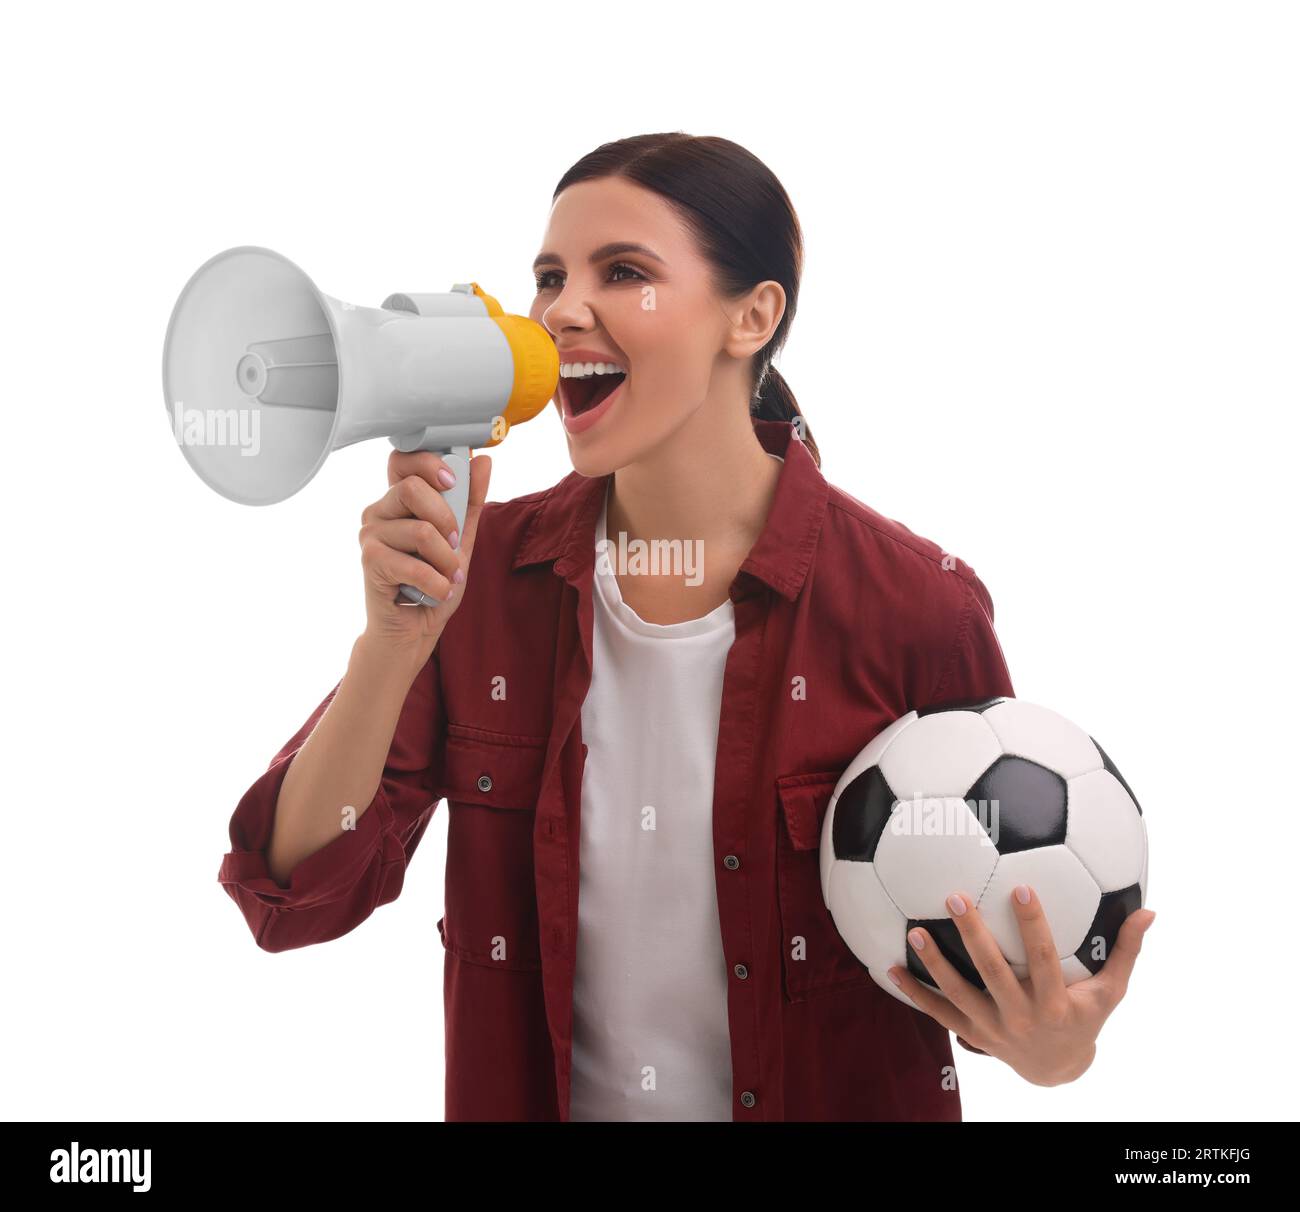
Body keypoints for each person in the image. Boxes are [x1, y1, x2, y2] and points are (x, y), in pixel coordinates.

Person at [217, 132, 1154, 1121]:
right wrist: (393, 648)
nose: (561, 310)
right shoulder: (484, 578)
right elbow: (294, 896)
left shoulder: (913, 604)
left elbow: (991, 956)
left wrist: (1056, 1055)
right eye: (548, 275)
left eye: (623, 273)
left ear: (751, 316)